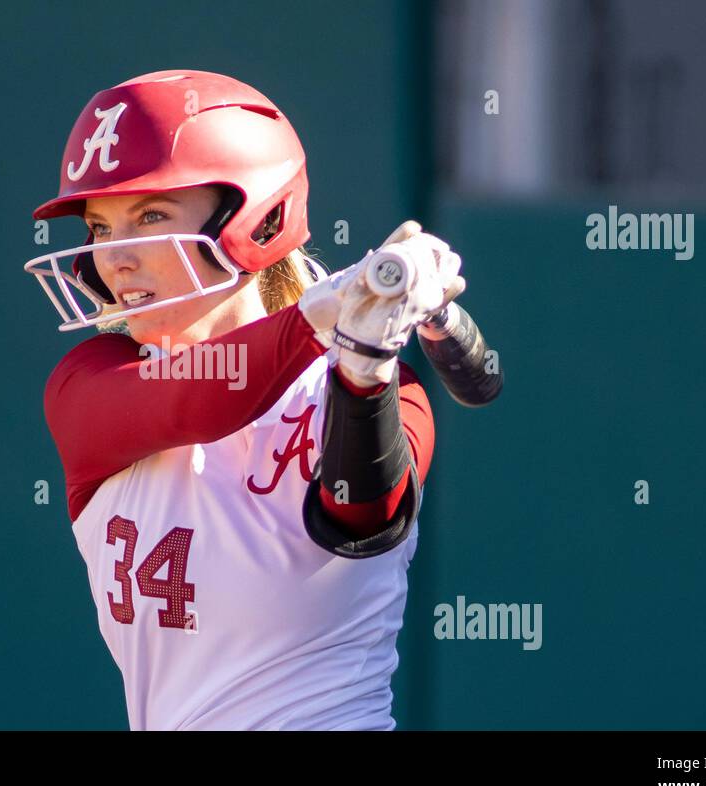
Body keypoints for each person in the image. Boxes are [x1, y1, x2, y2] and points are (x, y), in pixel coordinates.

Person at [25, 69, 466, 730]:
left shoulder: (376, 390)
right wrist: (318, 320)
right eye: (100, 226)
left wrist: (365, 363)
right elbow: (191, 402)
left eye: (148, 216)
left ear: (255, 220)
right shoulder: (89, 381)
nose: (113, 257)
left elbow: (360, 512)